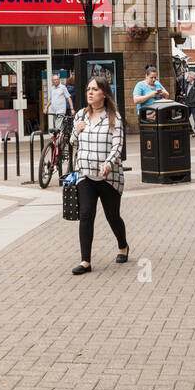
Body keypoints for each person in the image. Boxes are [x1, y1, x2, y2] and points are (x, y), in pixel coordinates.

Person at [69, 77, 128, 275]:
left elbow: (117, 145)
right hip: (85, 173)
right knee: (86, 215)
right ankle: (85, 261)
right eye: (88, 89)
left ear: (104, 93)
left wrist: (109, 163)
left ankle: (123, 246)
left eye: (95, 89)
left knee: (112, 216)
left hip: (108, 177)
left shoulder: (114, 117)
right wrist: (76, 133)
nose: (90, 92)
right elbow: (72, 143)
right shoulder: (80, 115)